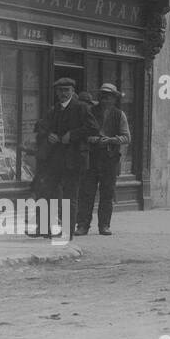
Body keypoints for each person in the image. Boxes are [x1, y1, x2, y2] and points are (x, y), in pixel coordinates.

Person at [38, 78, 97, 237]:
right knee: (48, 192)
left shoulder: (81, 108)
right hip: (55, 159)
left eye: (66, 90)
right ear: (56, 92)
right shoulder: (54, 109)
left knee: (69, 197)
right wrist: (48, 135)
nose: (63, 94)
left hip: (74, 159)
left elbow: (93, 128)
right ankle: (45, 229)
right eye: (60, 90)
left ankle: (66, 231)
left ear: (73, 91)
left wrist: (72, 135)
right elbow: (41, 126)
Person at [76, 83, 130, 236]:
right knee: (86, 192)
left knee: (107, 193)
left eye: (109, 97)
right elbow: (80, 132)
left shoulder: (119, 115)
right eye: (103, 97)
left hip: (110, 159)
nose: (105, 100)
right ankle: (82, 225)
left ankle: (104, 225)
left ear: (114, 99)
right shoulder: (89, 112)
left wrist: (112, 140)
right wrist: (89, 138)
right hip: (91, 157)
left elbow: (127, 137)